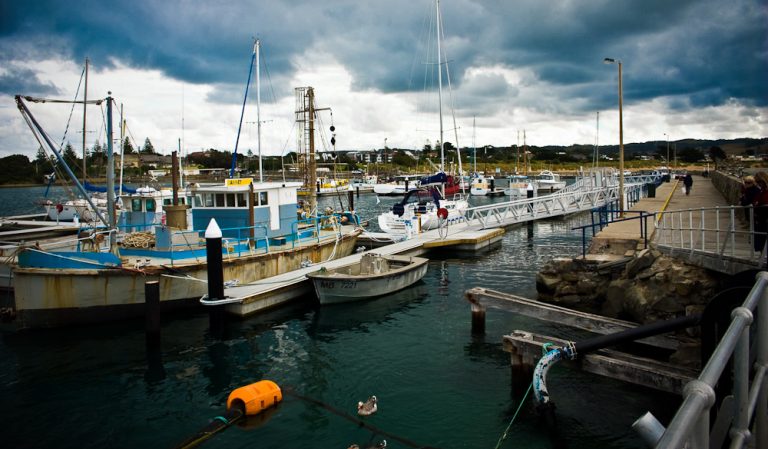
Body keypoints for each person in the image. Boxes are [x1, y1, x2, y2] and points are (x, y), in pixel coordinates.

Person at [753, 172, 768, 253]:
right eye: (757, 182)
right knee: (761, 241)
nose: (758, 184)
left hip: (764, 220)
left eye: (759, 182)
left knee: (763, 241)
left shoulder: (765, 191)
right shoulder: (761, 190)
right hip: (760, 220)